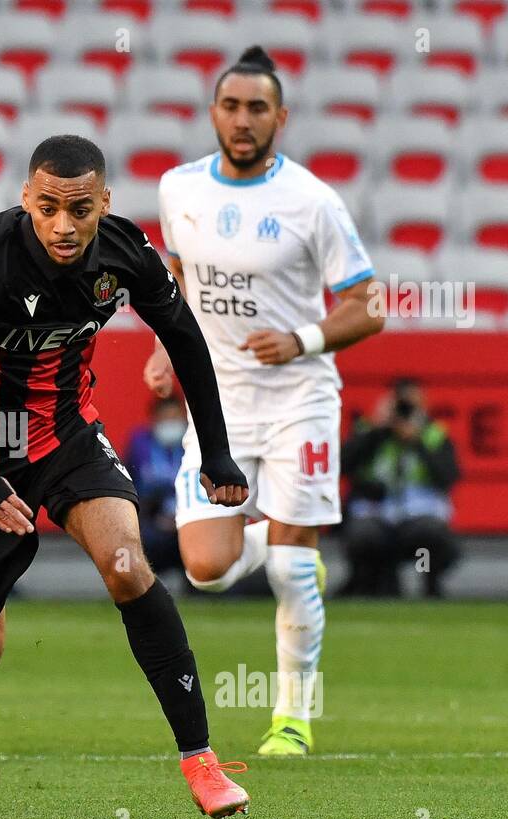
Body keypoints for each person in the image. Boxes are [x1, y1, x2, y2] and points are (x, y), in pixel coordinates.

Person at [0, 134, 254, 819]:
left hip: (66, 435)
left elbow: (185, 337)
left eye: (79, 209)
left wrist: (219, 453)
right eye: (48, 207)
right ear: (26, 200)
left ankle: (201, 761)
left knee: (126, 566)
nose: (63, 225)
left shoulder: (124, 250)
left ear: (103, 203)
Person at [143, 47, 383, 756]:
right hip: (216, 401)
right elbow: (178, 280)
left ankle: (293, 720)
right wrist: (165, 348)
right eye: (230, 106)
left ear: (281, 117)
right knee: (204, 568)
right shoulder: (178, 189)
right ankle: (293, 552)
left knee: (286, 565)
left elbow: (369, 305)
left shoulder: (312, 201)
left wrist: (304, 337)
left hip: (300, 397)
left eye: (256, 109)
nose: (242, 121)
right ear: (214, 113)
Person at [341, 379, 461, 597]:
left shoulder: (433, 435)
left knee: (427, 539)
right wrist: (378, 429)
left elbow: (448, 477)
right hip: (377, 512)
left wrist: (417, 441)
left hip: (419, 515)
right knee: (364, 536)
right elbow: (345, 465)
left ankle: (427, 583)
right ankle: (370, 584)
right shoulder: (370, 430)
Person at [126, 396, 189, 577]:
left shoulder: (194, 445)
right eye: (165, 418)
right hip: (153, 521)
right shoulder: (139, 444)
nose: (170, 423)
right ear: (154, 419)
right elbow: (130, 486)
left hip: (188, 518)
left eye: (174, 417)